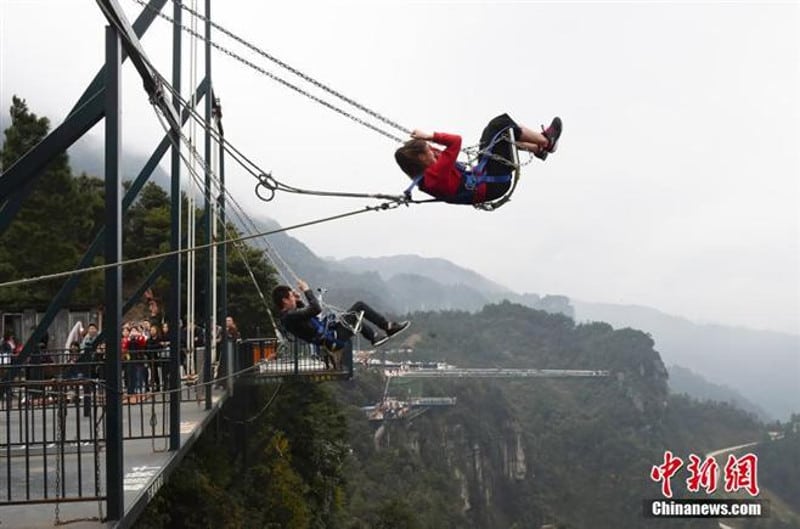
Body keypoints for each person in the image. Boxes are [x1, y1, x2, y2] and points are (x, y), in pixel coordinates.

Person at [394, 113, 562, 205]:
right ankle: (547, 142)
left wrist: (422, 143)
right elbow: (455, 141)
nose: (432, 151)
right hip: (492, 184)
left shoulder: (425, 177)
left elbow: (434, 151)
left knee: (497, 135)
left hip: (485, 182)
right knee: (499, 125)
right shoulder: (435, 174)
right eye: (428, 151)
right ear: (421, 158)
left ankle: (538, 149)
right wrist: (430, 136)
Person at [272, 280, 410, 351]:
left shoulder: (289, 317)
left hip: (329, 335)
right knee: (359, 306)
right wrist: (307, 290)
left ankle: (374, 336)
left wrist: (299, 300)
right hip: (331, 338)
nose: (293, 298)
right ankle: (387, 327)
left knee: (354, 318)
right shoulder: (289, 318)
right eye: (291, 296)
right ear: (284, 300)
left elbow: (306, 315)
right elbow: (315, 309)